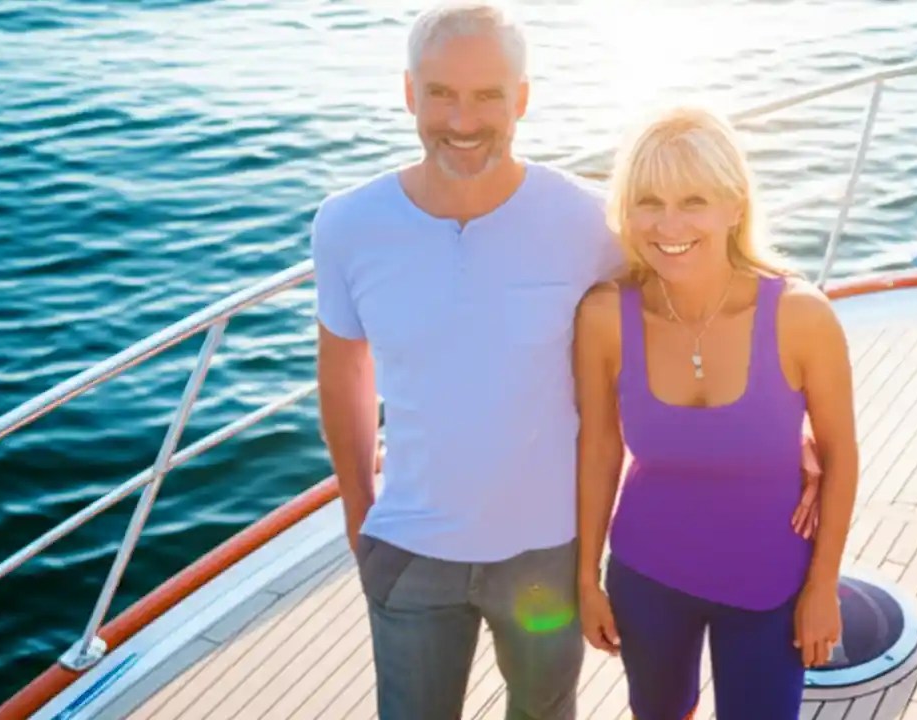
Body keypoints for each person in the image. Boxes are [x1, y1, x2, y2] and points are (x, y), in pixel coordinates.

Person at [313, 3, 819, 718]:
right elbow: (344, 373)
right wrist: (360, 515)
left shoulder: (583, 223)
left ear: (521, 99)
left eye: (488, 94)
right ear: (408, 94)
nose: (463, 120)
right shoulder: (346, 225)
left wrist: (784, 431)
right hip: (409, 547)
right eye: (441, 94)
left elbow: (689, 307)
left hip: (546, 555)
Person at [574, 106, 859, 720]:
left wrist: (823, 584)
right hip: (646, 575)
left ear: (735, 206)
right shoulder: (604, 317)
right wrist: (586, 579)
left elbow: (840, 457)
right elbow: (598, 450)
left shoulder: (802, 318)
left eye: (693, 201)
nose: (668, 224)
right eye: (648, 201)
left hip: (771, 585)